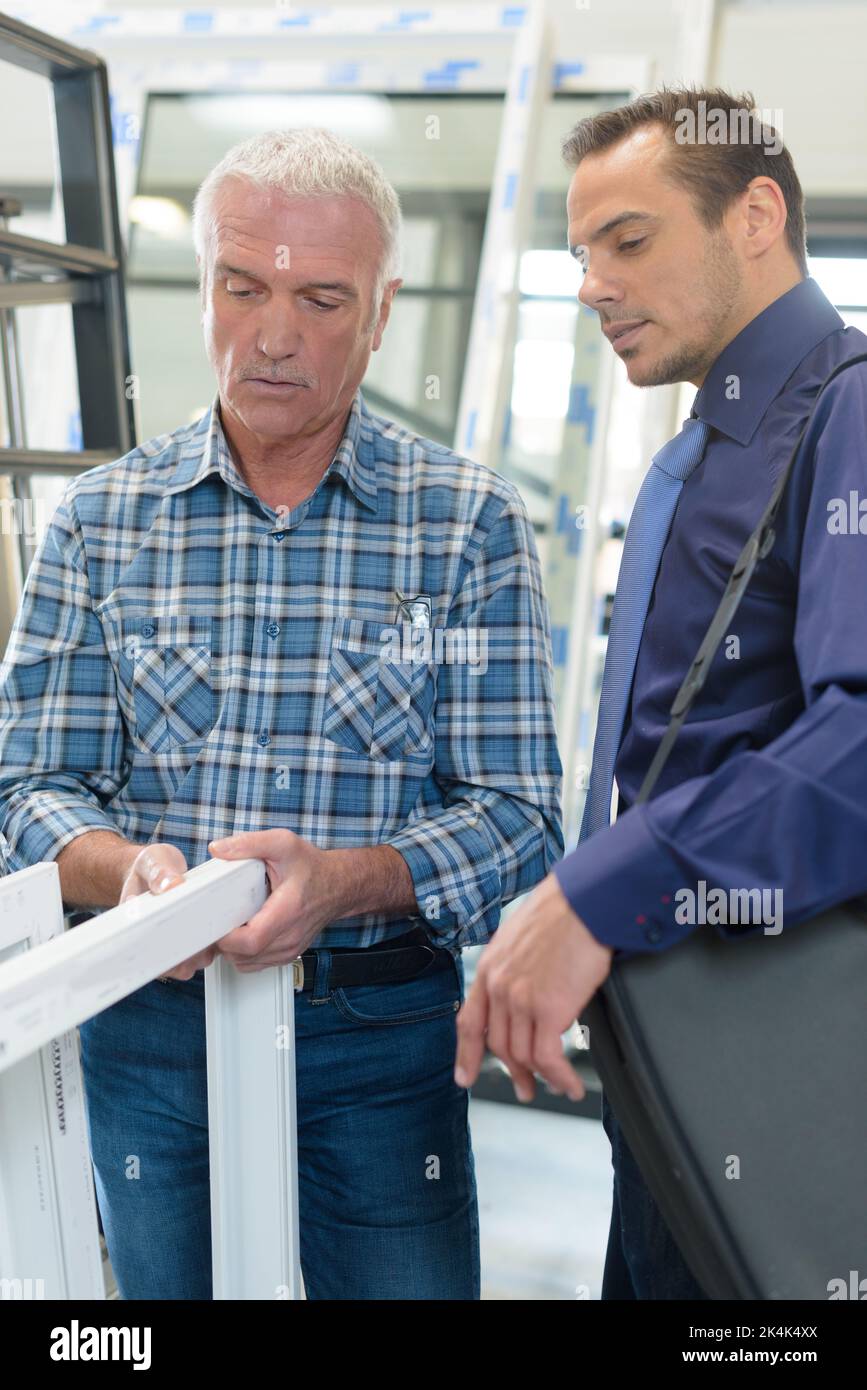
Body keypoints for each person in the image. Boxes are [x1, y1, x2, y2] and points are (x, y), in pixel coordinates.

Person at [0, 127, 563, 1300]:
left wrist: (341, 881)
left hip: (379, 1034)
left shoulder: (467, 527)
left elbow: (518, 817)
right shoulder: (102, 524)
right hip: (151, 1032)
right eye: (242, 287)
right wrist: (133, 875)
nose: (272, 335)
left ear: (383, 309)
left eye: (320, 299)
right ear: (205, 283)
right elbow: (26, 785)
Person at [455, 86, 867, 1299]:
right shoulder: (703, 452)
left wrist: (598, 892)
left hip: (782, 1063)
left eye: (629, 242)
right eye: (583, 254)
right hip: (673, 1062)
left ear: (755, 217)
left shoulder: (849, 414)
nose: (593, 284)